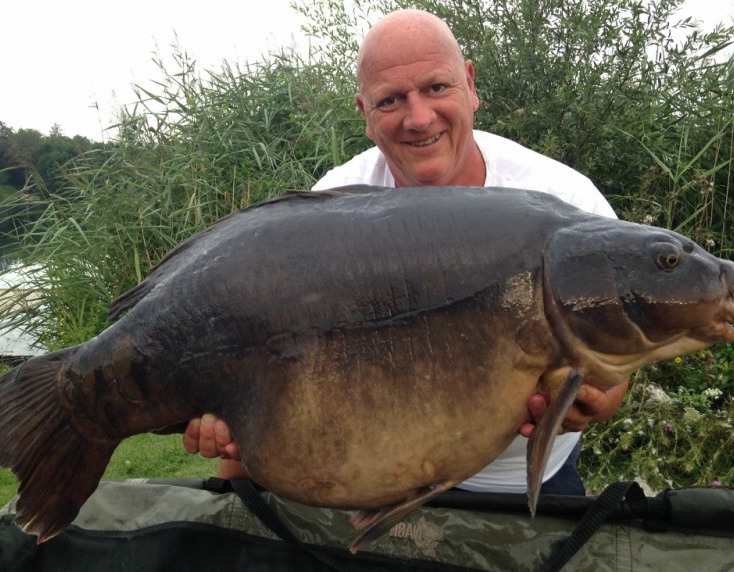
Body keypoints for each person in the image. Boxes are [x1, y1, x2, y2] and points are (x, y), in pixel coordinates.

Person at [183, 8, 628, 495]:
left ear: (471, 84)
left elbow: (616, 357)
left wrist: (599, 400)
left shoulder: (567, 203)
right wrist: (231, 430)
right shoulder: (328, 212)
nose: (418, 118)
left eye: (437, 87)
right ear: (365, 114)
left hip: (522, 487)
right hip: (376, 476)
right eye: (391, 100)